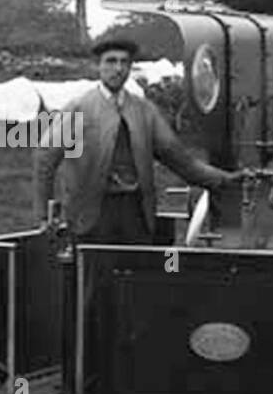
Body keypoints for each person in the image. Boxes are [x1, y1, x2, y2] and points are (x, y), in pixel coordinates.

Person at [34, 37, 248, 244]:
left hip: (135, 212)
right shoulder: (78, 108)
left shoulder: (144, 110)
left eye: (124, 62)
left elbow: (181, 161)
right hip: (90, 215)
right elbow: (45, 159)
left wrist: (226, 180)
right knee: (94, 276)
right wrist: (45, 214)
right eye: (111, 61)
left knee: (134, 273)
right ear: (98, 66)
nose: (118, 68)